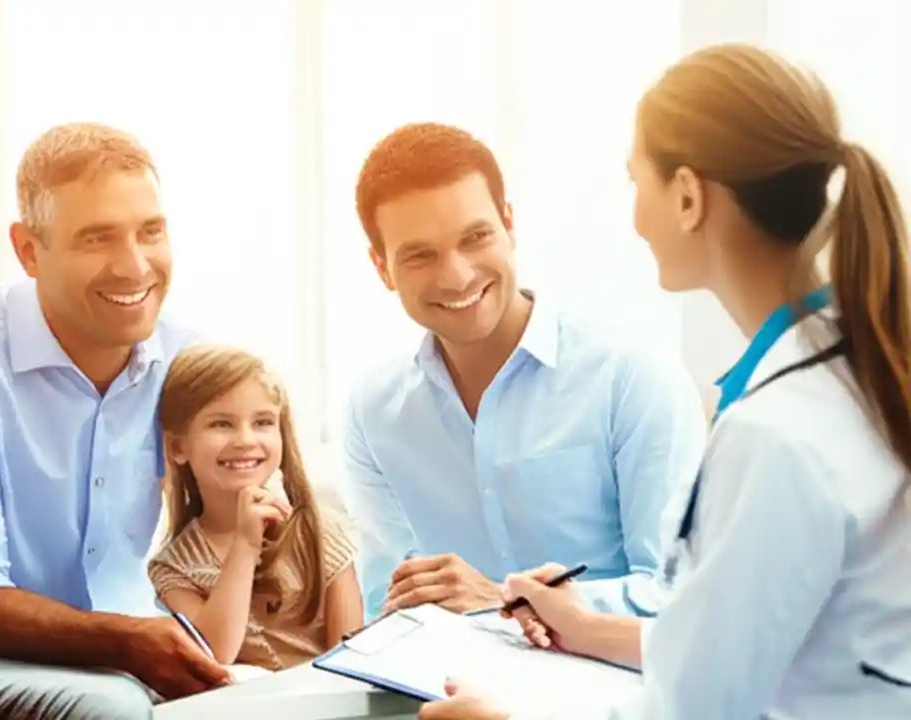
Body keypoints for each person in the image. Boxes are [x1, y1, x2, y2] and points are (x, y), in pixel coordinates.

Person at [420, 43, 911, 720]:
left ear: (686, 196)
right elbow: (751, 644)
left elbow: (696, 708)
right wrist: (589, 627)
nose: (634, 219)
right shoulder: (859, 373)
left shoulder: (776, 433)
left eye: (635, 183)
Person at [0, 122, 230, 718]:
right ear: (29, 251)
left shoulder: (187, 360)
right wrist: (128, 642)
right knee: (114, 708)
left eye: (151, 231)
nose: (134, 266)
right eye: (98, 238)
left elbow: (245, 516)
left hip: (124, 650)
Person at [342, 122, 707, 621]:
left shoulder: (632, 379)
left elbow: (679, 596)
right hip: (448, 690)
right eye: (420, 255)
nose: (458, 275)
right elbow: (390, 606)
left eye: (476, 237)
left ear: (509, 226)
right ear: (382, 267)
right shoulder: (373, 411)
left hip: (612, 686)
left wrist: (505, 601)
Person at [149, 345, 364, 670]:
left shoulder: (322, 534)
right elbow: (212, 656)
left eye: (263, 422)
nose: (245, 439)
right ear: (178, 447)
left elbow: (350, 660)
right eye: (221, 424)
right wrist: (246, 546)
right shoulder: (174, 567)